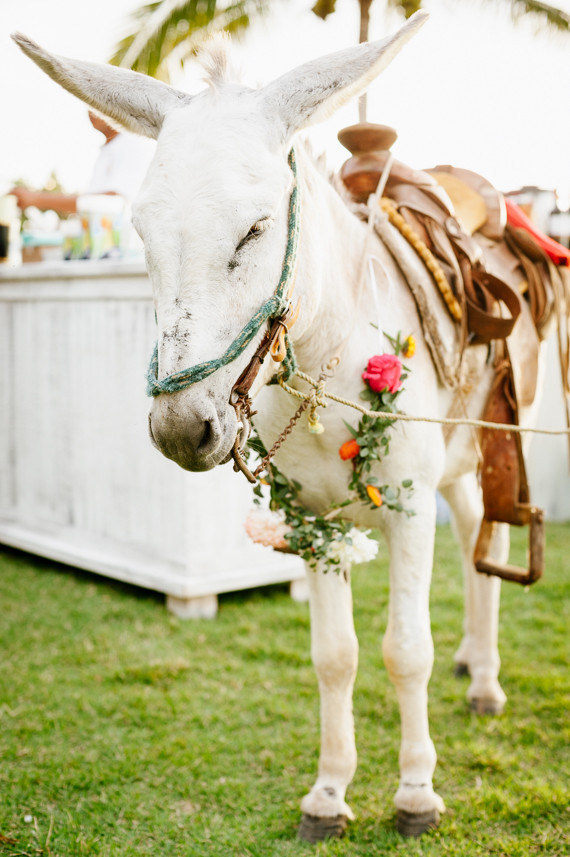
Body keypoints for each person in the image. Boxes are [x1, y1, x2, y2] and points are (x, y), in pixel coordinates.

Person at [10, 111, 155, 213]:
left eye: (96, 102)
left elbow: (112, 203)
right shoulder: (108, 149)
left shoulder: (134, 143)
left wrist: (36, 199)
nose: (91, 111)